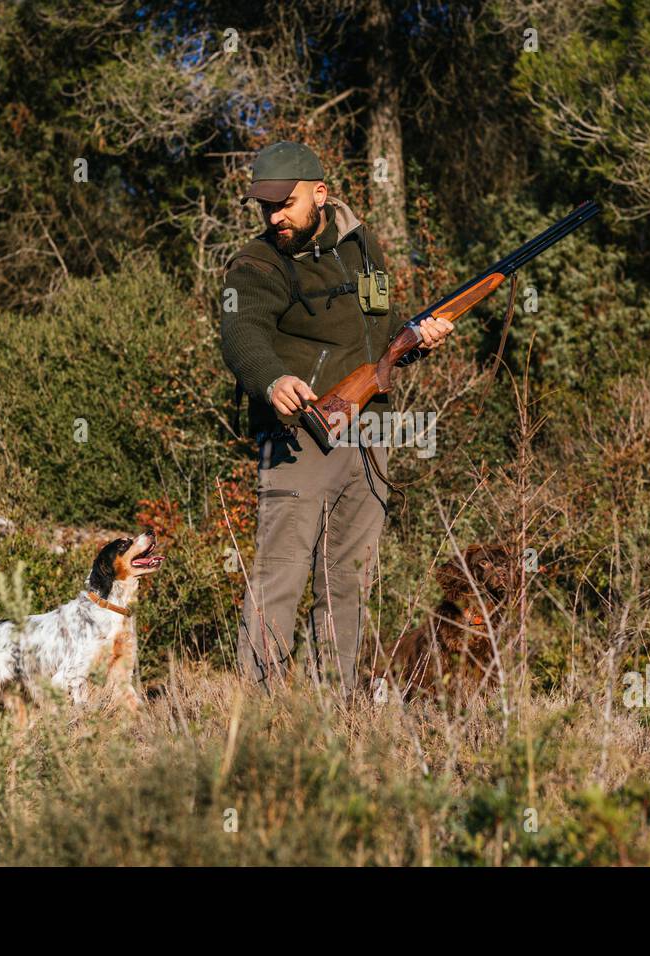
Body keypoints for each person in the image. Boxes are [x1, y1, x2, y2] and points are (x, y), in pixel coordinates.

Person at [220, 140, 453, 698]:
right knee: (281, 575)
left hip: (369, 432)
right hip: (298, 435)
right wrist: (272, 379)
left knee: (347, 580)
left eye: (285, 203)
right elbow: (241, 332)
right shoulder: (257, 263)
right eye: (265, 207)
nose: (274, 216)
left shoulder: (360, 245)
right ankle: (257, 710)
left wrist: (417, 339)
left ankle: (339, 706)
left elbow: (381, 328)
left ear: (320, 194)